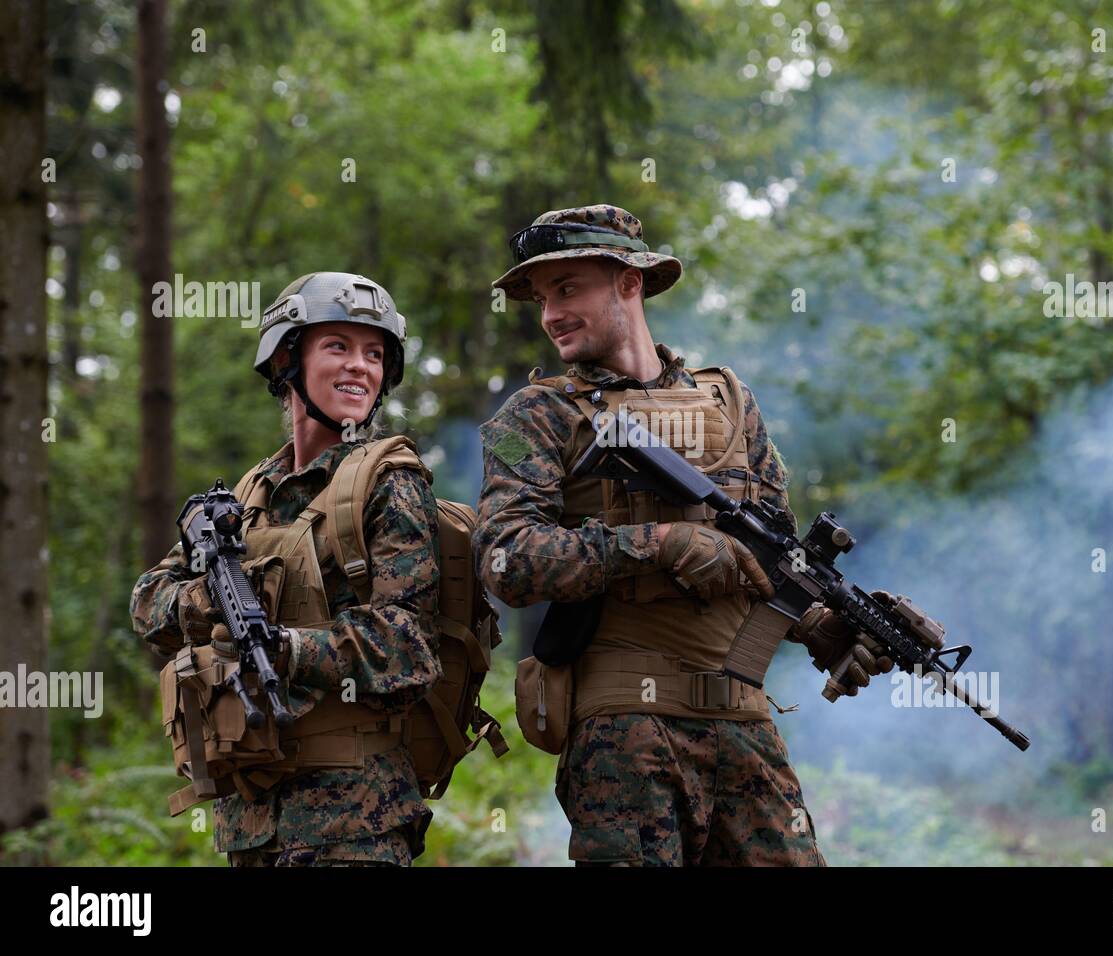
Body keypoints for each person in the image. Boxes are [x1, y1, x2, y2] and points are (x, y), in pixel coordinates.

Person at [474, 204, 891, 866]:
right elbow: (507, 562)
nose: (551, 312)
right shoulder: (541, 414)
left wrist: (818, 622)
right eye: (542, 296)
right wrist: (660, 544)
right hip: (624, 737)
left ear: (629, 283)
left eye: (569, 287)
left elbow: (765, 555)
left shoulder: (730, 402)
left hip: (744, 727)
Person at [130, 272, 442, 867]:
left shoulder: (390, 485)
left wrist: (288, 649)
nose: (360, 368)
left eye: (375, 354)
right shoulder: (248, 495)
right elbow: (148, 603)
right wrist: (209, 603)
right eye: (338, 347)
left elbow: (408, 647)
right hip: (251, 825)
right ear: (285, 362)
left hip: (354, 824)